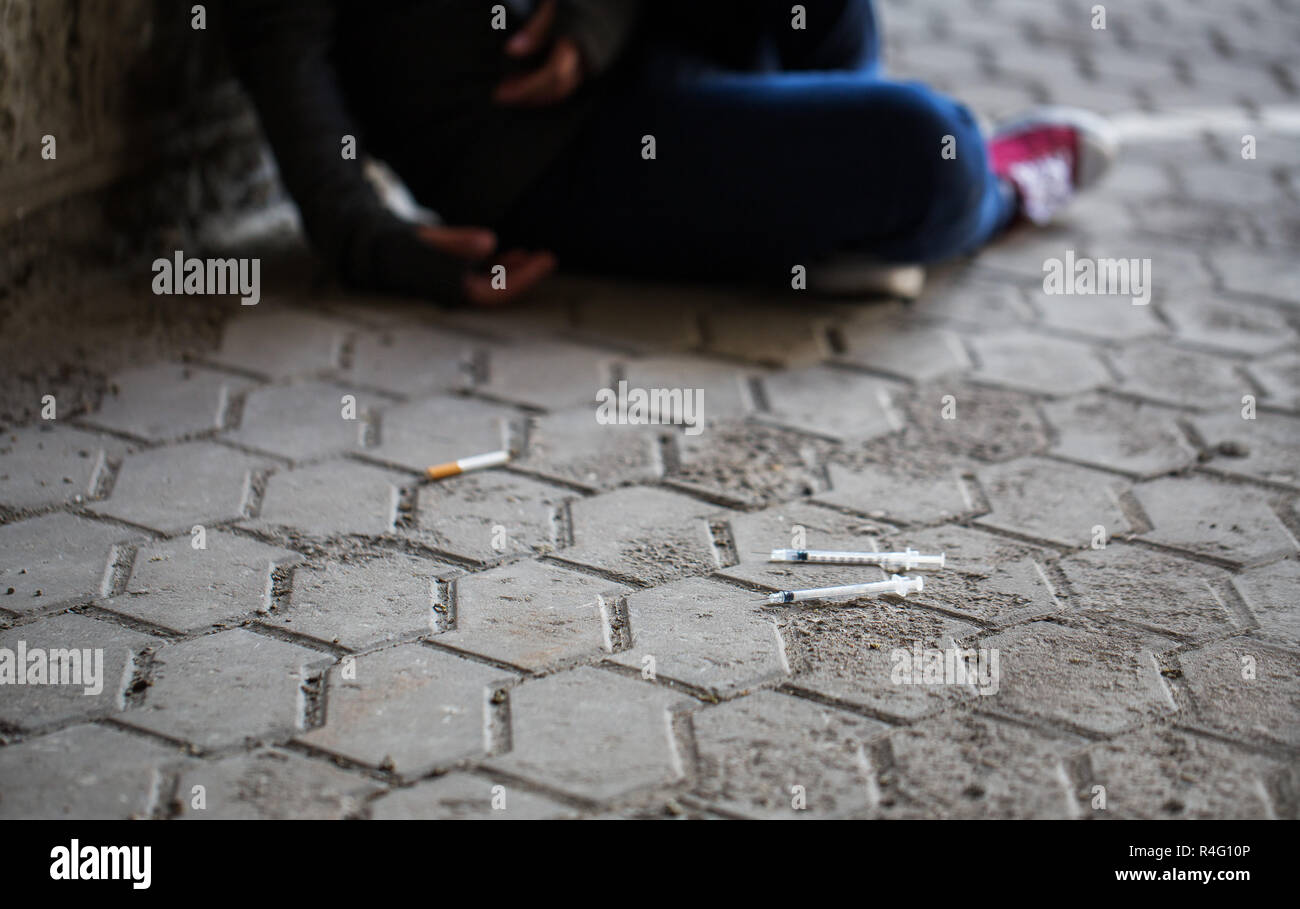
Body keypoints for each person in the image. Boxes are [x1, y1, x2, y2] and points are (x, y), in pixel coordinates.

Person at [227, 0, 1116, 305]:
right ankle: (991, 190)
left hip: (648, 48)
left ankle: (834, 224)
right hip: (549, 151)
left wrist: (593, 18)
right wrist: (369, 241)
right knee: (937, 152)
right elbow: (279, 47)